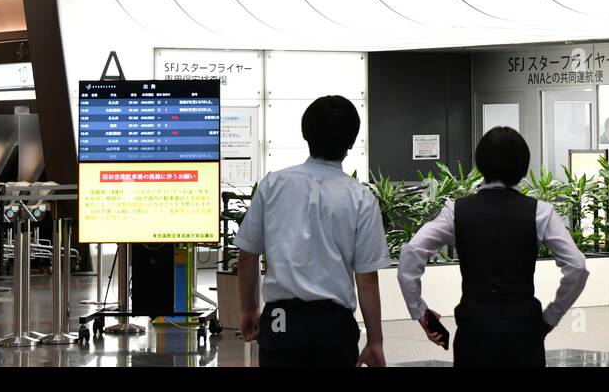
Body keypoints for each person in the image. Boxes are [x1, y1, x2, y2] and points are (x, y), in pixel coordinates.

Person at [397, 126, 589, 367]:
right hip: (524, 334)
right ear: (523, 167)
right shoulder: (541, 212)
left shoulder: (455, 212)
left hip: (474, 333)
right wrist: (550, 317)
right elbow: (577, 266)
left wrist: (421, 312)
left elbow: (411, 254)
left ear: (480, 165)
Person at [234, 95, 388, 367]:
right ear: (352, 142)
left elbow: (247, 255)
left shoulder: (273, 185)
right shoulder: (360, 198)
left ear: (305, 133)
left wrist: (248, 309)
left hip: (281, 322)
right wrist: (375, 341)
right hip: (334, 327)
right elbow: (366, 279)